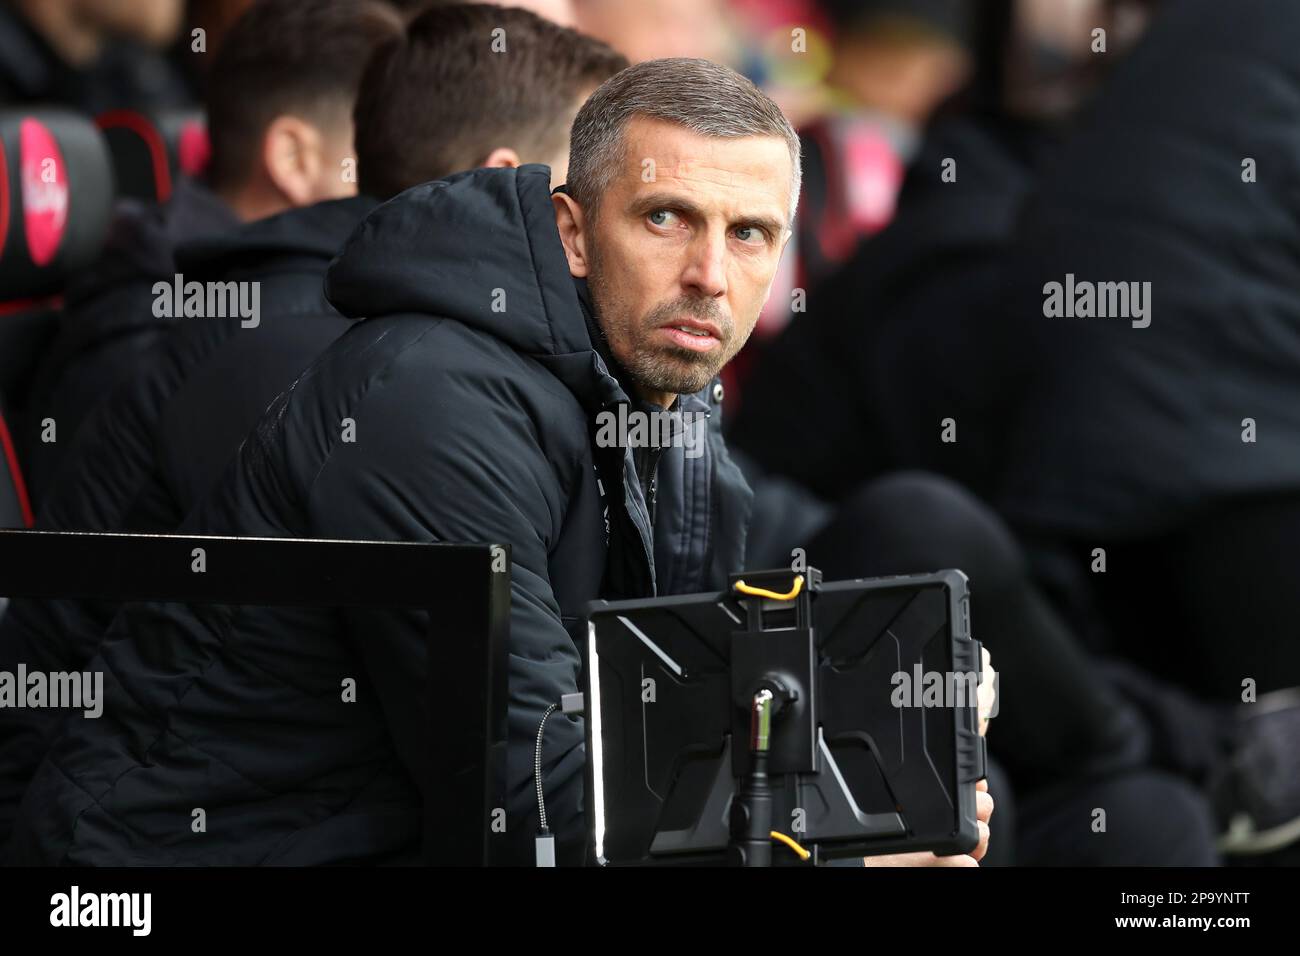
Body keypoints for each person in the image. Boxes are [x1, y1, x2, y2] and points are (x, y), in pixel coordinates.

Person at [0, 1, 627, 850]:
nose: (625, 226)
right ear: (508, 177)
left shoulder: (447, 346)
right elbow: (516, 770)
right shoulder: (353, 369)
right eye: (597, 180)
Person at [20, 0, 403, 501]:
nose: (410, 184)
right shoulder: (158, 329)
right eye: (382, 154)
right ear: (294, 158)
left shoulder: (266, 304)